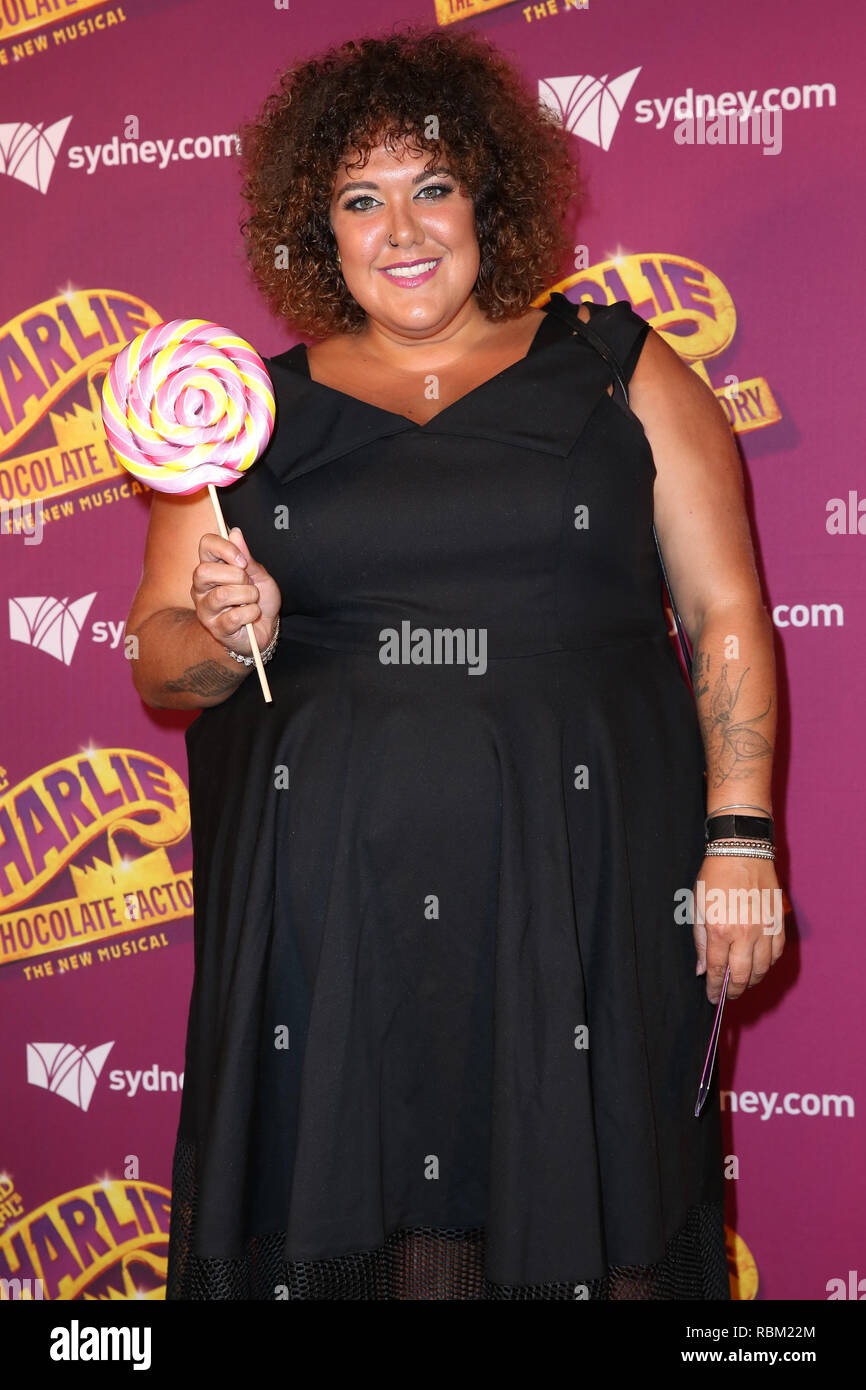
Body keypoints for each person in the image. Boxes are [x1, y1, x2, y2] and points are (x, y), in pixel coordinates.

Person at [126, 26, 785, 1300]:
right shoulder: (239, 418)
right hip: (333, 903)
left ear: (490, 195)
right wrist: (231, 633)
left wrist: (740, 836)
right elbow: (164, 668)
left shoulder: (618, 369)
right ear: (317, 227)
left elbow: (719, 611)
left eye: (431, 185)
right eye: (358, 199)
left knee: (596, 1189)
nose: (400, 227)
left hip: (585, 876)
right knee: (374, 1213)